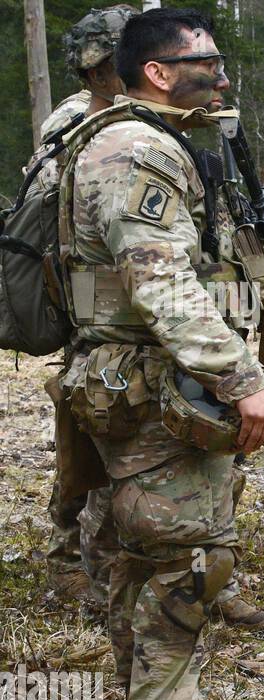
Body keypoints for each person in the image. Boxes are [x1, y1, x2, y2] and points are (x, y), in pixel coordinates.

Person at [60, 8, 264, 700]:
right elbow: (160, 281)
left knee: (132, 550)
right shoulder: (136, 149)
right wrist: (241, 377)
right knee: (190, 561)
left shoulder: (160, 141)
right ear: (158, 71)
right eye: (207, 63)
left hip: (141, 377)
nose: (221, 75)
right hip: (156, 382)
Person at [32, 5, 139, 611]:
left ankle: (177, 560)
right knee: (89, 434)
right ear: (97, 70)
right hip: (91, 309)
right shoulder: (76, 123)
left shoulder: (169, 119)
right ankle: (69, 554)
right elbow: (58, 210)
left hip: (158, 303)